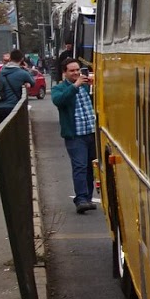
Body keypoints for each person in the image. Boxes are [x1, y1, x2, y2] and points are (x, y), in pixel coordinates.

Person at [50, 59, 97, 214]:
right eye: (72, 71)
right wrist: (75, 86)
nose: (76, 73)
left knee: (91, 168)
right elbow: (59, 101)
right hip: (75, 136)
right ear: (65, 73)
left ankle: (88, 198)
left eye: (77, 70)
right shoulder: (59, 88)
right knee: (80, 167)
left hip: (91, 133)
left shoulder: (86, 86)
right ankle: (81, 199)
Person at [0, 49, 32, 123]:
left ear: (10, 59)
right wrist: (26, 70)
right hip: (13, 107)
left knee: (3, 132)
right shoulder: (22, 73)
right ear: (22, 59)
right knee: (14, 132)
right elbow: (32, 82)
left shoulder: (1, 71)